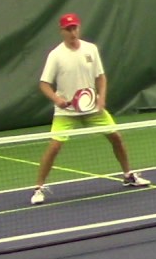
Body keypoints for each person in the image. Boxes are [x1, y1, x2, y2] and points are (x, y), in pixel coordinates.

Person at [30, 13, 149, 205]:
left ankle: (128, 175)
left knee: (116, 137)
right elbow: (44, 84)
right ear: (62, 31)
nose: (72, 32)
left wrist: (101, 98)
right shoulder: (56, 55)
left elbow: (101, 77)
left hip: (93, 108)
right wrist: (57, 99)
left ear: (79, 28)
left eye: (75, 28)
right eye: (68, 29)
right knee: (54, 146)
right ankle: (38, 188)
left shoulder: (90, 49)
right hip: (66, 112)